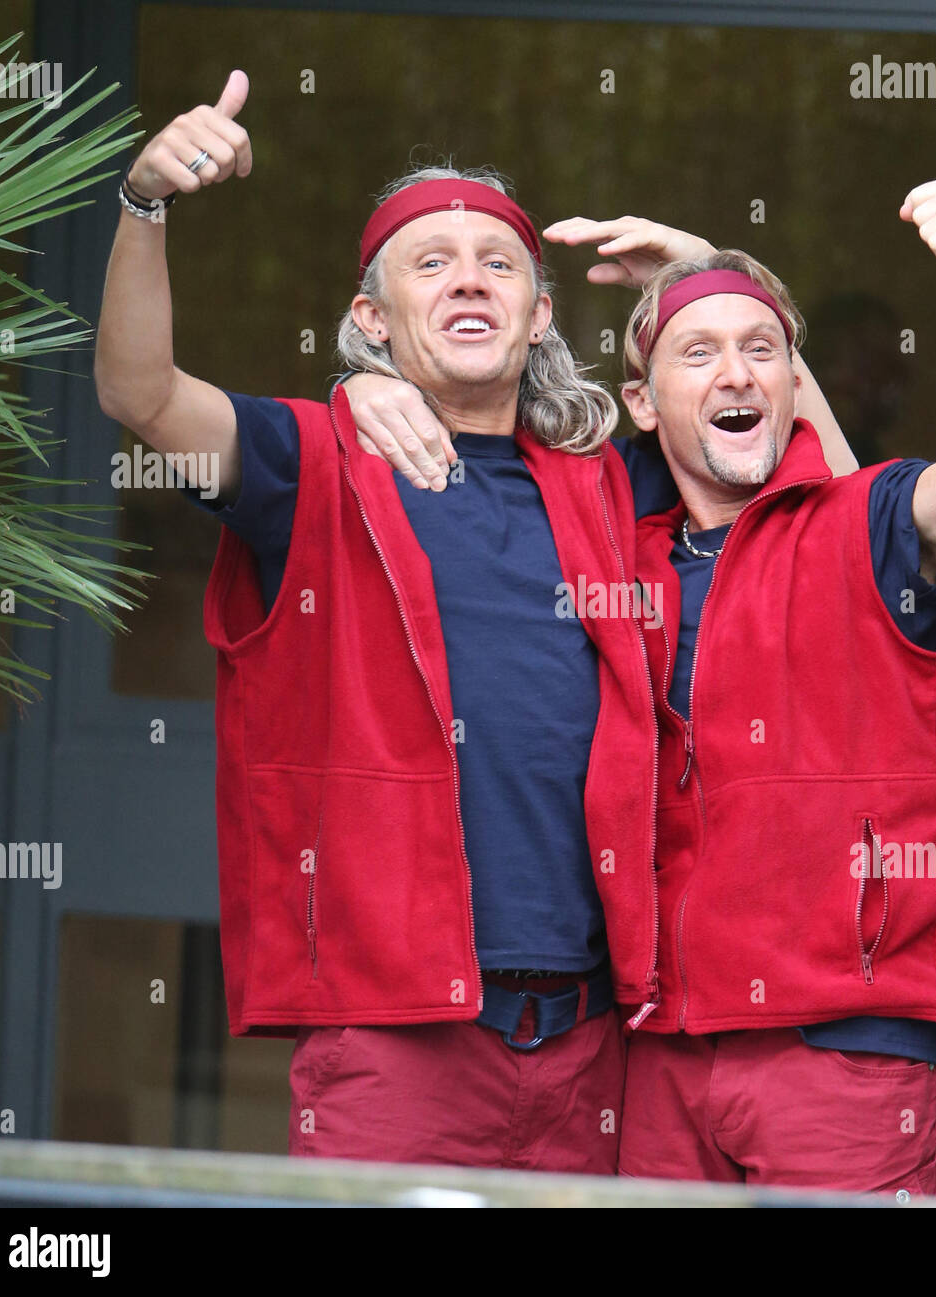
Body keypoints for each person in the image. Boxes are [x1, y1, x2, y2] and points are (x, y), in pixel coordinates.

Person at [94, 69, 672, 1173]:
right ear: (372, 316)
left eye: (501, 265)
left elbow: (814, 488)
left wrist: (696, 273)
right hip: (395, 1042)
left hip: (591, 1045)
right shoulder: (309, 461)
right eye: (433, 262)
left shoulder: (608, 486)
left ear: (539, 315)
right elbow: (139, 391)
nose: (471, 280)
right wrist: (145, 203)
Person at [612, 174, 936, 1192]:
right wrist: (374, 382)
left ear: (794, 386)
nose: (737, 371)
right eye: (699, 352)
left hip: (845, 1050)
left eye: (762, 351)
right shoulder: (605, 551)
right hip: (656, 1051)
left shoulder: (872, 525)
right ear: (641, 403)